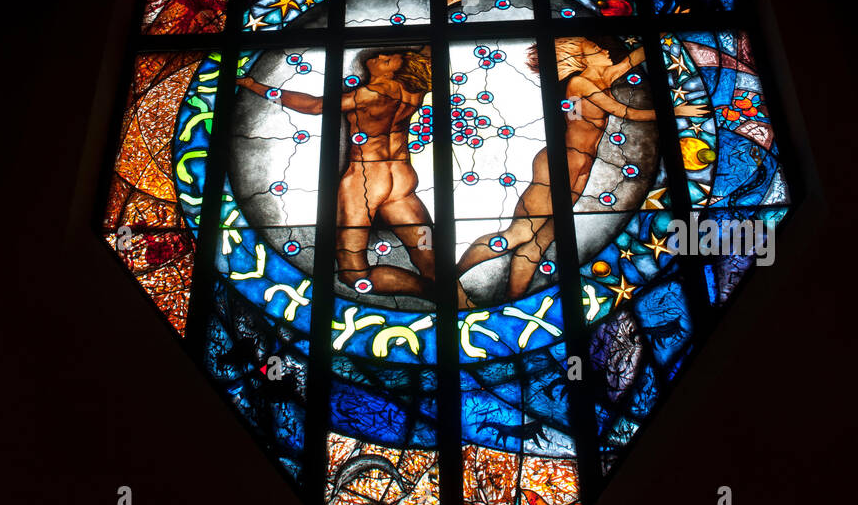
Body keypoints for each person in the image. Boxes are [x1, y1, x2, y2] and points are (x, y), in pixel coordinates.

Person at [456, 38, 708, 305]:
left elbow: (632, 60)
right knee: (518, 234)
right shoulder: (580, 85)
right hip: (558, 165)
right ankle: (448, 280)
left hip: (581, 168)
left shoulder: (603, 76)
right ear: (579, 59)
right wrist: (675, 109)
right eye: (596, 47)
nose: (604, 48)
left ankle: (512, 298)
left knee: (539, 242)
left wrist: (659, 32)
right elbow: (623, 111)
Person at [238, 48, 438, 299]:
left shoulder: (368, 94)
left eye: (386, 60)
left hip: (365, 182)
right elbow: (425, 56)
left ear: (392, 72)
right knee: (432, 263)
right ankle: (443, 294)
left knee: (353, 275)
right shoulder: (413, 94)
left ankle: (429, 292)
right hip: (401, 179)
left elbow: (313, 106)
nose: (379, 57)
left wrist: (255, 86)